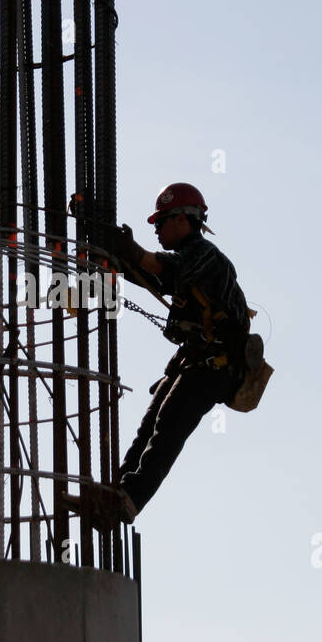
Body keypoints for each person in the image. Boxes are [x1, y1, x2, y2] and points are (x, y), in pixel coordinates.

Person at [94, 182, 251, 523]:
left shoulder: (206, 256)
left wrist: (130, 251)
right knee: (148, 426)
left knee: (167, 428)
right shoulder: (186, 260)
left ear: (184, 219)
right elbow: (151, 275)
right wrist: (117, 257)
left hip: (214, 366)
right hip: (194, 362)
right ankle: (116, 492)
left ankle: (130, 499)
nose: (157, 230)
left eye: (161, 222)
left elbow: (163, 268)